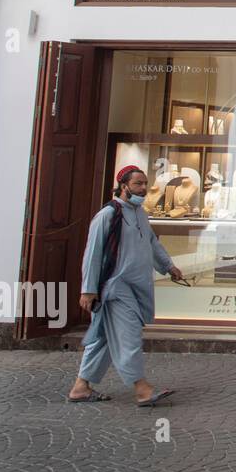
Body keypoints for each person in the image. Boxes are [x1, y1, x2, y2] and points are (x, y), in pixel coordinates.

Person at [67, 165, 185, 407]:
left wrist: (169, 266)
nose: (143, 188)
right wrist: (88, 290)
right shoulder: (108, 215)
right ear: (123, 186)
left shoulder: (140, 213)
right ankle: (142, 388)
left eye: (145, 184)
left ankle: (81, 387)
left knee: (105, 339)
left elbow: (151, 243)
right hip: (115, 288)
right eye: (137, 184)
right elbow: (92, 254)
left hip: (135, 287)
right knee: (129, 335)